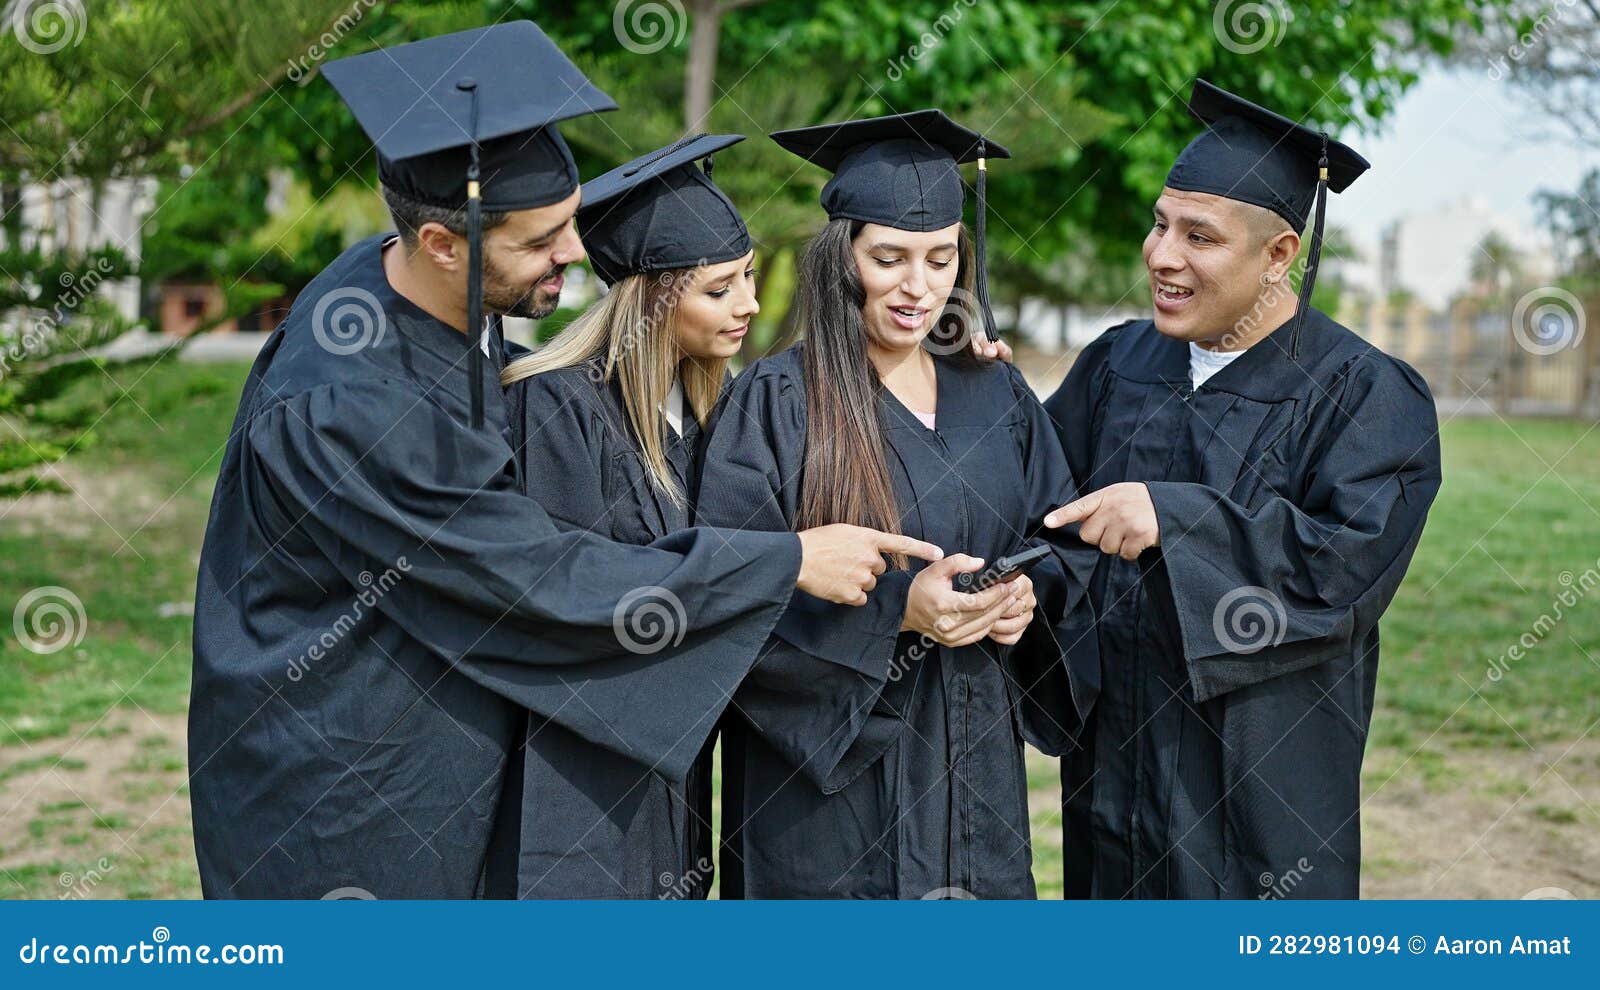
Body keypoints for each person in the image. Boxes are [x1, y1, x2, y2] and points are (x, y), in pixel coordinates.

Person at [187, 23, 939, 900]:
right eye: (542, 240)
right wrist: (787, 561)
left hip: (427, 739)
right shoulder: (356, 408)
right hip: (346, 784)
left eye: (569, 224)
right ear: (441, 242)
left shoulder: (412, 286)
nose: (575, 253)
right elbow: (537, 578)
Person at [1040, 79, 1443, 898]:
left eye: (1200, 236)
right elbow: (1030, 496)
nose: (1160, 255)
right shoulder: (1118, 364)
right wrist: (982, 396)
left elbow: (1343, 573)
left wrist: (1175, 520)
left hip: (1259, 788)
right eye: (1159, 224)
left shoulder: (1364, 394)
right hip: (1112, 773)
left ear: (1279, 255)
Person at [697, 110, 1099, 899]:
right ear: (841, 258)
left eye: (941, 258)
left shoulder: (1000, 393)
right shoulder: (779, 402)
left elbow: (1059, 539)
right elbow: (725, 587)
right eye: (889, 258)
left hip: (974, 772)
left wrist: (1026, 600)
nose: (919, 286)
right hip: (825, 805)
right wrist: (895, 614)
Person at [491, 134, 762, 899]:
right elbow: (565, 605)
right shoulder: (555, 408)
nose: (748, 304)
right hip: (577, 782)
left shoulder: (716, 412)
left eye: (749, 277)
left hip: (673, 771)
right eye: (719, 288)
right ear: (652, 301)